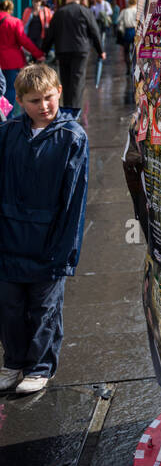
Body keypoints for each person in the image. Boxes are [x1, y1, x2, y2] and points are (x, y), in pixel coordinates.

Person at [0, 63, 89, 393]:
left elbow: (75, 198)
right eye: (34, 100)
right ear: (20, 100)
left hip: (49, 238)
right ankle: (13, 362)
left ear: (59, 93)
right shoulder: (8, 133)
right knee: (9, 306)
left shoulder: (71, 137)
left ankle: (39, 366)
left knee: (44, 308)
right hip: (10, 236)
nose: (44, 106)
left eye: (48, 98)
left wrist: (65, 249)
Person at [42, 0, 105, 118]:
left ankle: (66, 109)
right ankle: (74, 111)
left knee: (65, 80)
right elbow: (95, 32)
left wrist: (43, 51)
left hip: (62, 50)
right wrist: (100, 51)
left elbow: (50, 34)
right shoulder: (85, 11)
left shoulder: (60, 12)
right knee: (77, 79)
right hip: (80, 50)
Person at [0, 0, 44, 115]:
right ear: (10, 9)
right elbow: (24, 40)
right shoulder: (14, 21)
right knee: (10, 89)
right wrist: (38, 54)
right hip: (11, 62)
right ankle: (6, 117)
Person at [117, 0, 137, 74]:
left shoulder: (124, 11)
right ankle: (135, 66)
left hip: (127, 31)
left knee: (126, 51)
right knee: (135, 51)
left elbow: (118, 20)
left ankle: (128, 68)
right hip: (135, 31)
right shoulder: (137, 10)